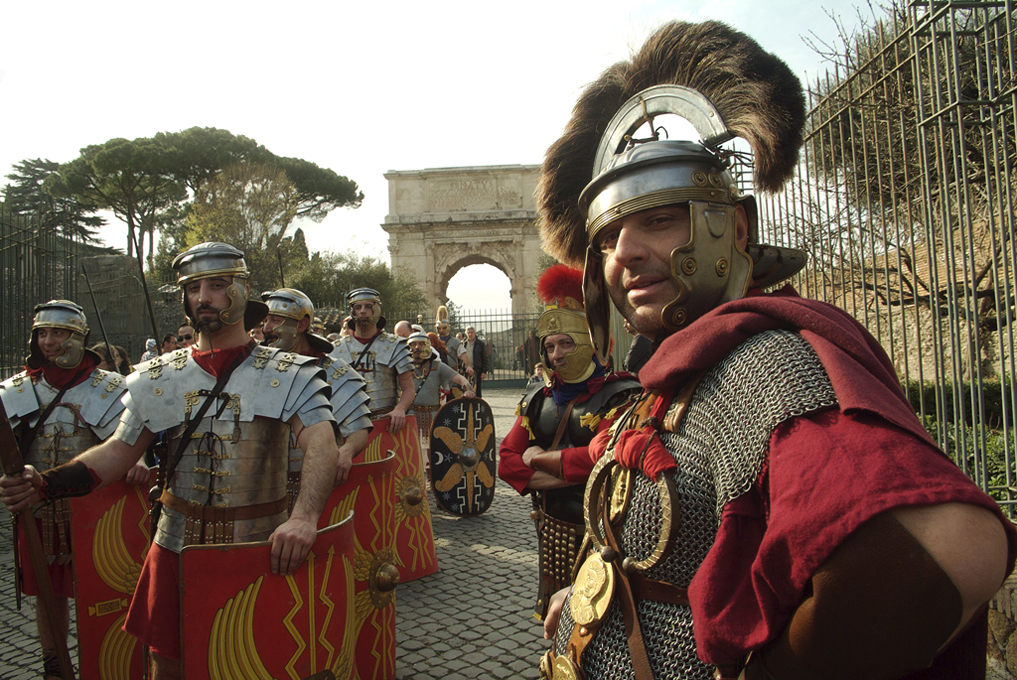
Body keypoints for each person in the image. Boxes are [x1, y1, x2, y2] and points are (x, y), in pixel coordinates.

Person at [535, 20, 1015, 680]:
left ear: (730, 227)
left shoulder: (766, 365)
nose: (625, 254)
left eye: (656, 220)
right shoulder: (687, 368)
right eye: (610, 236)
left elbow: (954, 545)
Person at [1, 242, 340, 680]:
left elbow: (321, 442)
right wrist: (43, 484)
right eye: (194, 287)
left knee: (258, 660)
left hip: (257, 542)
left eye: (217, 285)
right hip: (174, 542)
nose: (204, 297)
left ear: (242, 290)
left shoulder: (289, 372)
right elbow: (118, 452)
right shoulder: (158, 377)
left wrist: (305, 517)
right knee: (167, 662)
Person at [0, 301, 143, 680]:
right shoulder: (16, 390)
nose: (49, 341)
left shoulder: (112, 389)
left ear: (79, 338)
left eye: (59, 333)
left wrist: (140, 464)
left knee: (105, 589)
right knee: (48, 597)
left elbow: (129, 444)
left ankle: (109, 662)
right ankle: (54, 665)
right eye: (42, 333)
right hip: (38, 509)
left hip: (96, 509)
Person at [498, 265, 640, 621]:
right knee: (558, 626)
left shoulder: (621, 394)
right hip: (554, 532)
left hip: (607, 534)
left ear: (591, 343)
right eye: (549, 346)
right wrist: (577, 470)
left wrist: (536, 460)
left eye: (566, 343)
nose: (557, 354)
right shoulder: (538, 397)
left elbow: (606, 462)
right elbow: (506, 462)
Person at [260, 287, 372, 503]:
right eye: (264, 321)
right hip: (264, 491)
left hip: (319, 490)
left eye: (275, 320)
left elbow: (358, 427)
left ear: (301, 325)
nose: (266, 328)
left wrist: (347, 450)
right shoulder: (258, 371)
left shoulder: (333, 371)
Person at [330, 288, 414, 432]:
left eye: (368, 306)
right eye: (358, 307)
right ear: (352, 311)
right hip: (346, 425)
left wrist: (400, 408)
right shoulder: (336, 349)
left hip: (385, 423)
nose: (363, 311)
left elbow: (409, 389)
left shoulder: (395, 346)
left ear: (377, 309)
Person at [405, 331, 475, 458]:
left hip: (432, 418)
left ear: (427, 346)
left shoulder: (437, 366)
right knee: (411, 458)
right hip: (409, 419)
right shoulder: (403, 368)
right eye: (413, 344)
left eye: (421, 344)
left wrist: (468, 389)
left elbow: (460, 379)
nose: (417, 348)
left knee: (433, 458)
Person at [464, 326, 488, 398]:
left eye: (472, 332)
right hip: (465, 371)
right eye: (468, 333)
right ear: (466, 333)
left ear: (475, 333)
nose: (470, 334)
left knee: (477, 390)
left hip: (477, 370)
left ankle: (477, 406)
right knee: (465, 389)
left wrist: (484, 371)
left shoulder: (480, 344)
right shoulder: (463, 344)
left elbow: (485, 358)